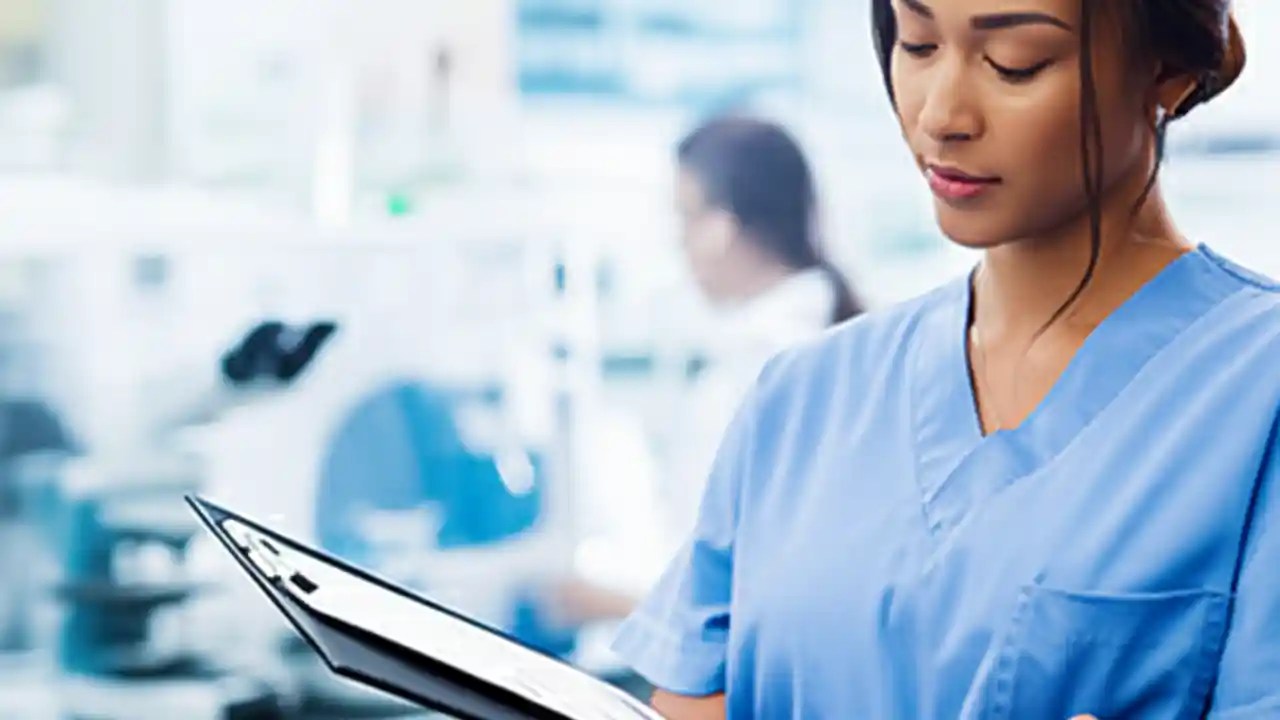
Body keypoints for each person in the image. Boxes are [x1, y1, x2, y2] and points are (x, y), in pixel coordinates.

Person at [612, 1, 1277, 718]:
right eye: (919, 45)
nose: (941, 116)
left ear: (1167, 70)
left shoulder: (1255, 389)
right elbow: (691, 692)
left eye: (1015, 63)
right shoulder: (801, 396)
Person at [557, 117, 864, 624]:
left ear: (721, 229)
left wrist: (605, 604)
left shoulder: (768, 366)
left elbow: (746, 603)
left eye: (684, 218)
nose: (678, 243)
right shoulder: (822, 343)